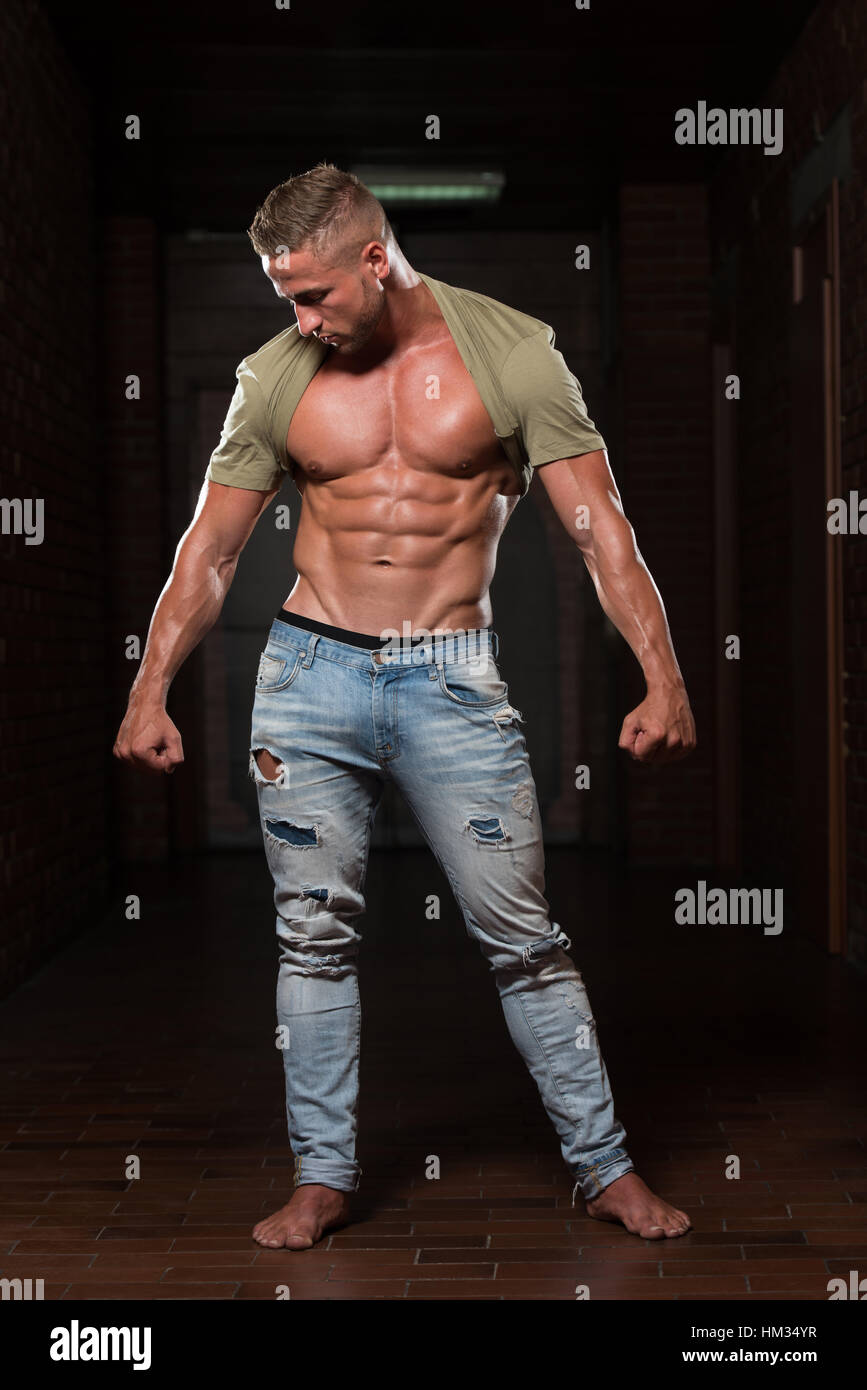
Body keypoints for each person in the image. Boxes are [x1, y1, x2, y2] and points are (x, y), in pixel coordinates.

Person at [114, 162, 697, 1251]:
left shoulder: (511, 354)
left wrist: (664, 675)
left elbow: (599, 529)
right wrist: (150, 689)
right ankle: (323, 1177)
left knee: (524, 939)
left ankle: (604, 1164)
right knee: (313, 939)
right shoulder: (274, 378)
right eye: (283, 296)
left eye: (315, 294)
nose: (300, 317)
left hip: (451, 679)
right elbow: (211, 550)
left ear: (374, 261)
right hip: (306, 678)